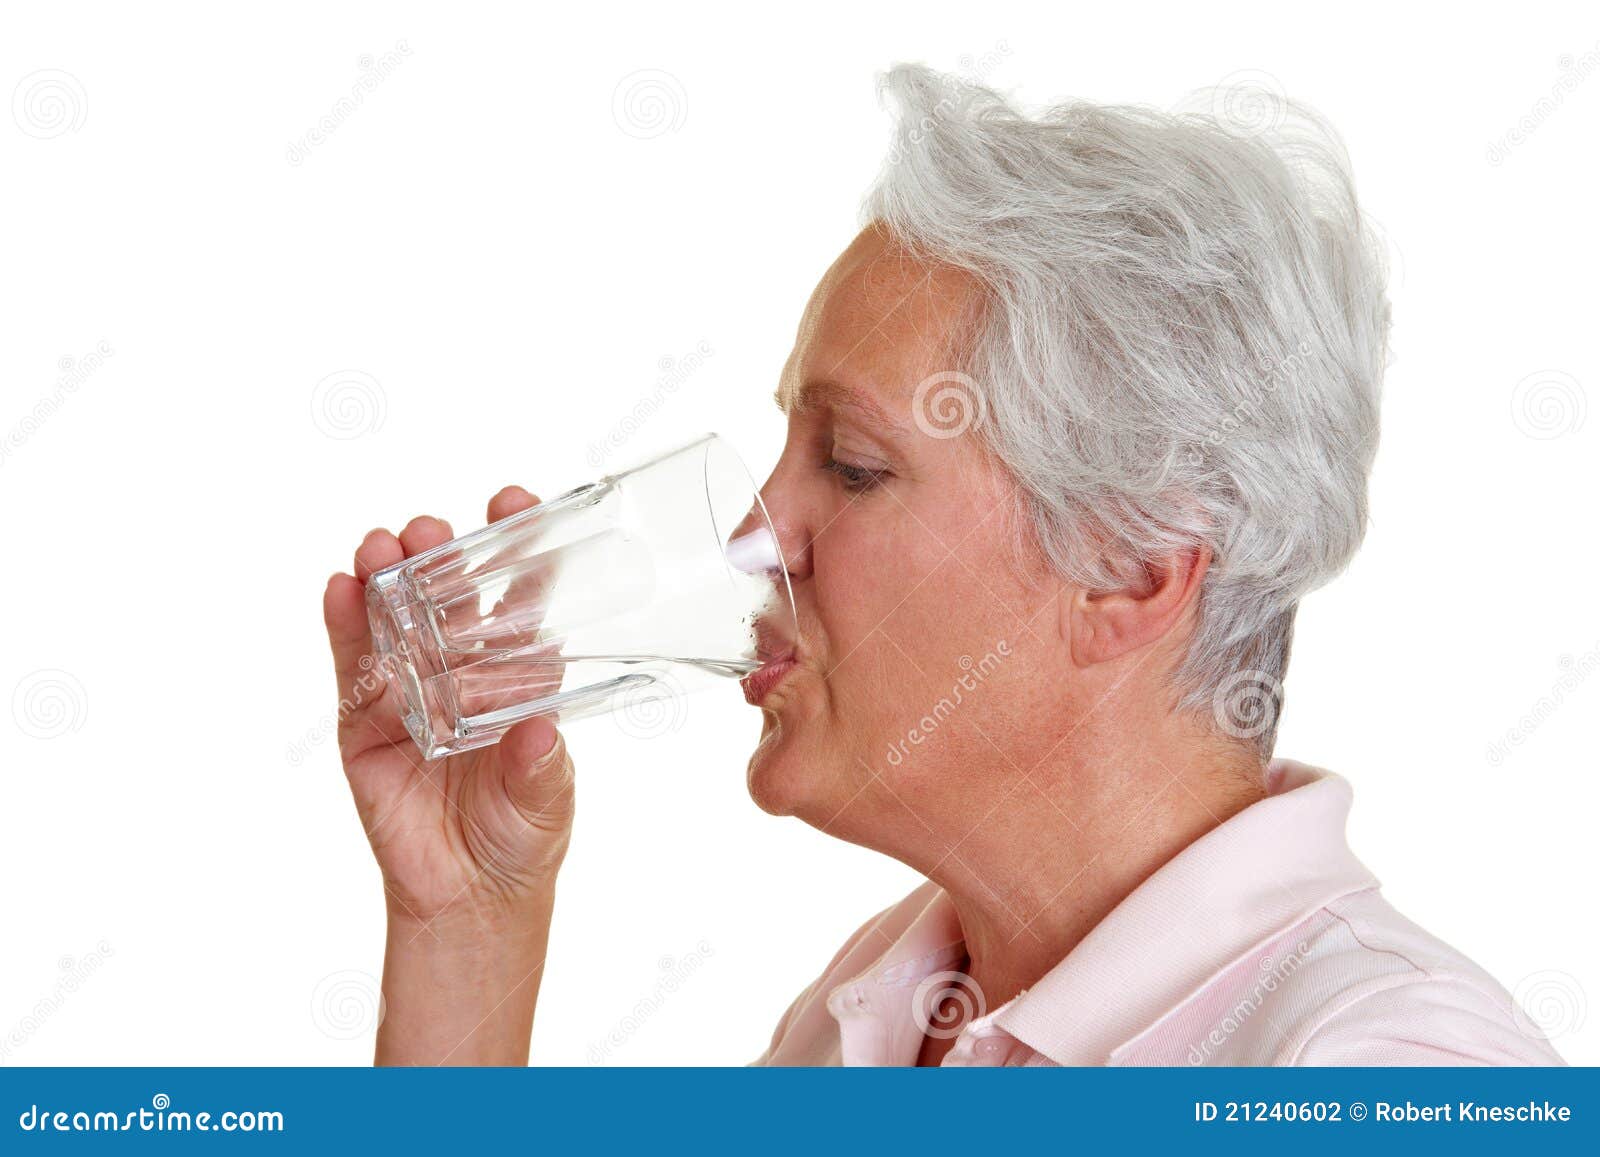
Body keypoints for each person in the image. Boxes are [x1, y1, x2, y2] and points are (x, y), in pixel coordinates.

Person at [320, 64, 1564, 1066]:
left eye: (851, 466)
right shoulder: (871, 1018)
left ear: (1129, 572)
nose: (755, 533)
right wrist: (468, 923)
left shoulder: (1384, 1066)